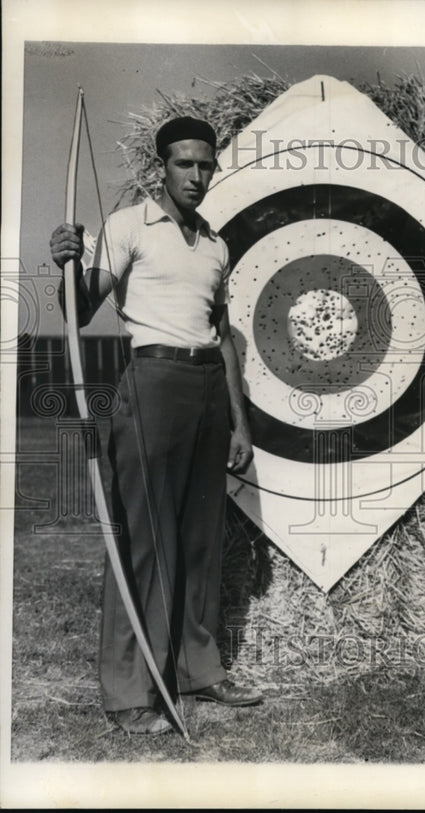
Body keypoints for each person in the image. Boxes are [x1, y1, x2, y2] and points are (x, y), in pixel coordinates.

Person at [50, 116, 263, 735]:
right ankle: (128, 694)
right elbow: (80, 308)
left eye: (205, 164)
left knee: (200, 537)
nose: (197, 175)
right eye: (184, 164)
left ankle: (199, 669)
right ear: (162, 168)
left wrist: (237, 421)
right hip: (152, 384)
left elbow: (221, 336)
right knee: (144, 542)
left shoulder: (217, 243)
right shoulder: (127, 226)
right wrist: (67, 262)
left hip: (206, 393)